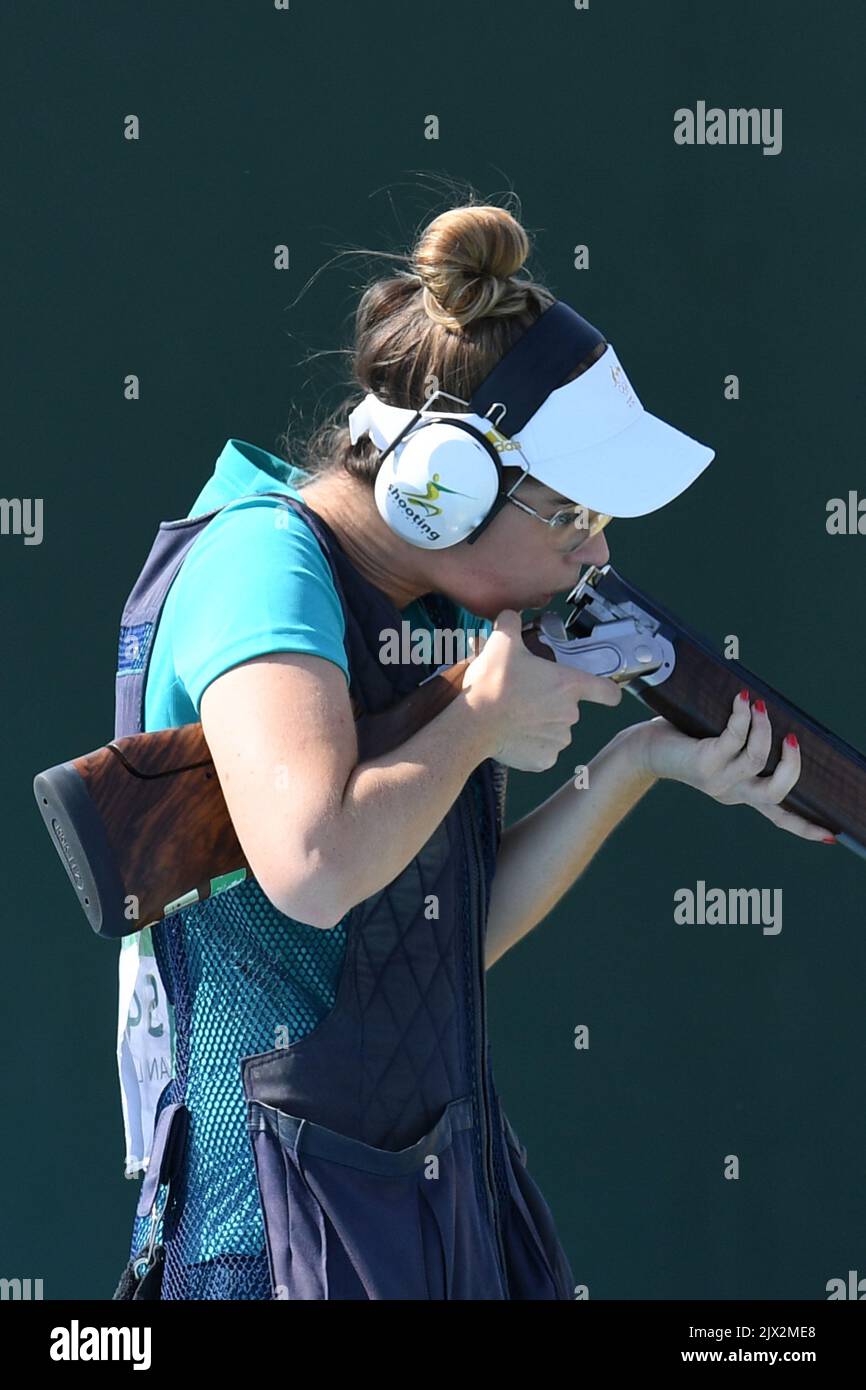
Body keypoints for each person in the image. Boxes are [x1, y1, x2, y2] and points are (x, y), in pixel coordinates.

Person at [121, 199, 835, 1301]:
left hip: (426, 1200)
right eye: (569, 516)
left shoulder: (429, 603)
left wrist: (643, 759)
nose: (595, 550)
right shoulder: (262, 566)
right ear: (438, 484)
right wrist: (476, 725)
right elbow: (314, 867)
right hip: (271, 1237)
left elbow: (441, 943)